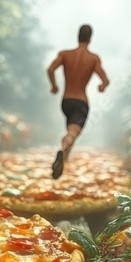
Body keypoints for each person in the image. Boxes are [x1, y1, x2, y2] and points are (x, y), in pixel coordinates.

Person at [46, 24, 109, 178]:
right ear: (90, 39)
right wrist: (101, 87)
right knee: (72, 134)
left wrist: (54, 86)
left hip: (66, 102)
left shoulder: (65, 54)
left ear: (77, 36)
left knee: (71, 131)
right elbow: (105, 81)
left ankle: (61, 165)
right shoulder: (93, 59)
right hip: (81, 102)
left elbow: (50, 69)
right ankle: (62, 151)